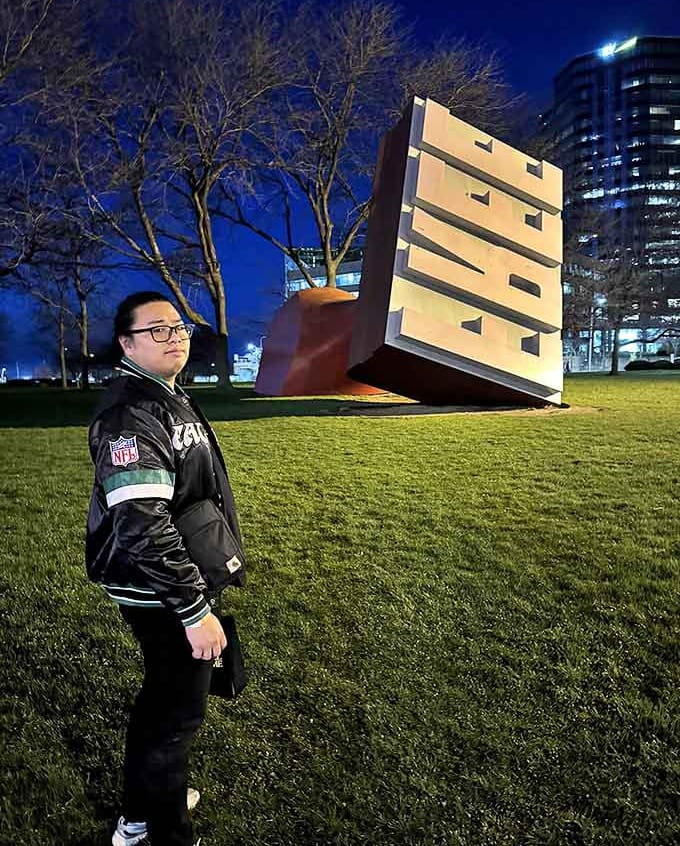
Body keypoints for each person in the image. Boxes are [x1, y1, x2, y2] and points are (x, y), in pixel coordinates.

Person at [85, 291, 246, 846]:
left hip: (173, 579)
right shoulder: (132, 414)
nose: (174, 336)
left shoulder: (165, 395)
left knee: (164, 701)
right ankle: (165, 831)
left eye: (177, 326)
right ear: (126, 344)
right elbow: (141, 526)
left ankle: (141, 812)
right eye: (157, 330)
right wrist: (194, 610)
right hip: (158, 588)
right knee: (176, 713)